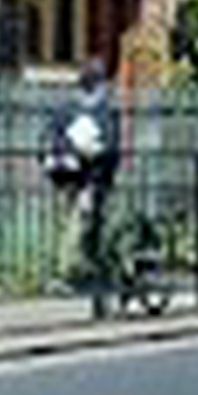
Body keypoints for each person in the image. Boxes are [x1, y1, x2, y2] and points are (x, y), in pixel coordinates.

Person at [45, 56, 123, 309]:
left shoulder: (68, 108)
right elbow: (112, 145)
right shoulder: (102, 110)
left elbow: (52, 137)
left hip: (71, 175)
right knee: (80, 224)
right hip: (89, 177)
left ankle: (86, 272)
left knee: (78, 223)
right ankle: (70, 273)